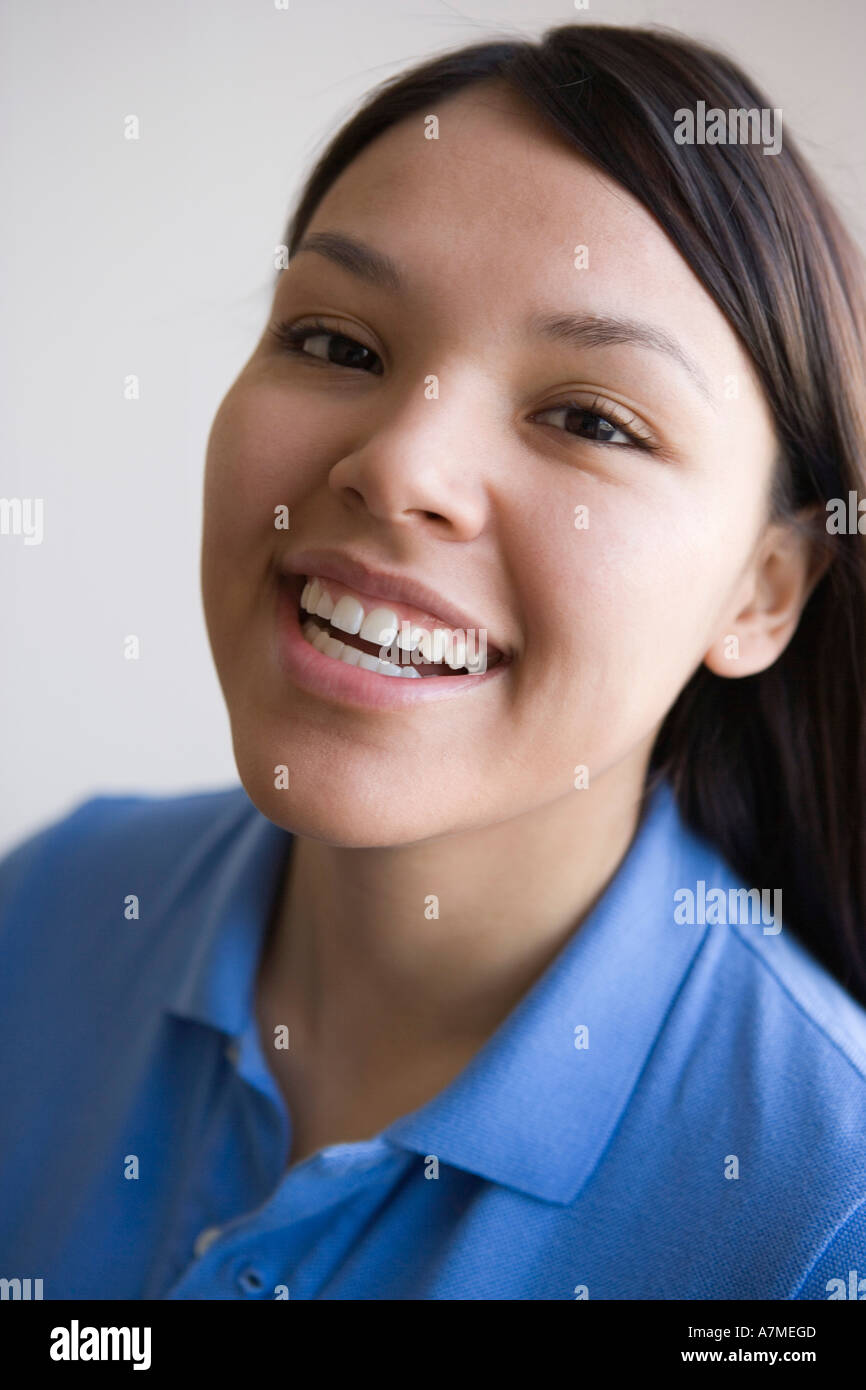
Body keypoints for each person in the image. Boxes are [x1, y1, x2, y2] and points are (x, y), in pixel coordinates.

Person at [2, 22, 866, 1302]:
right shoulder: (52, 910)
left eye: (587, 419)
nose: (400, 466)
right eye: (338, 345)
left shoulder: (822, 1218)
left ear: (761, 590)